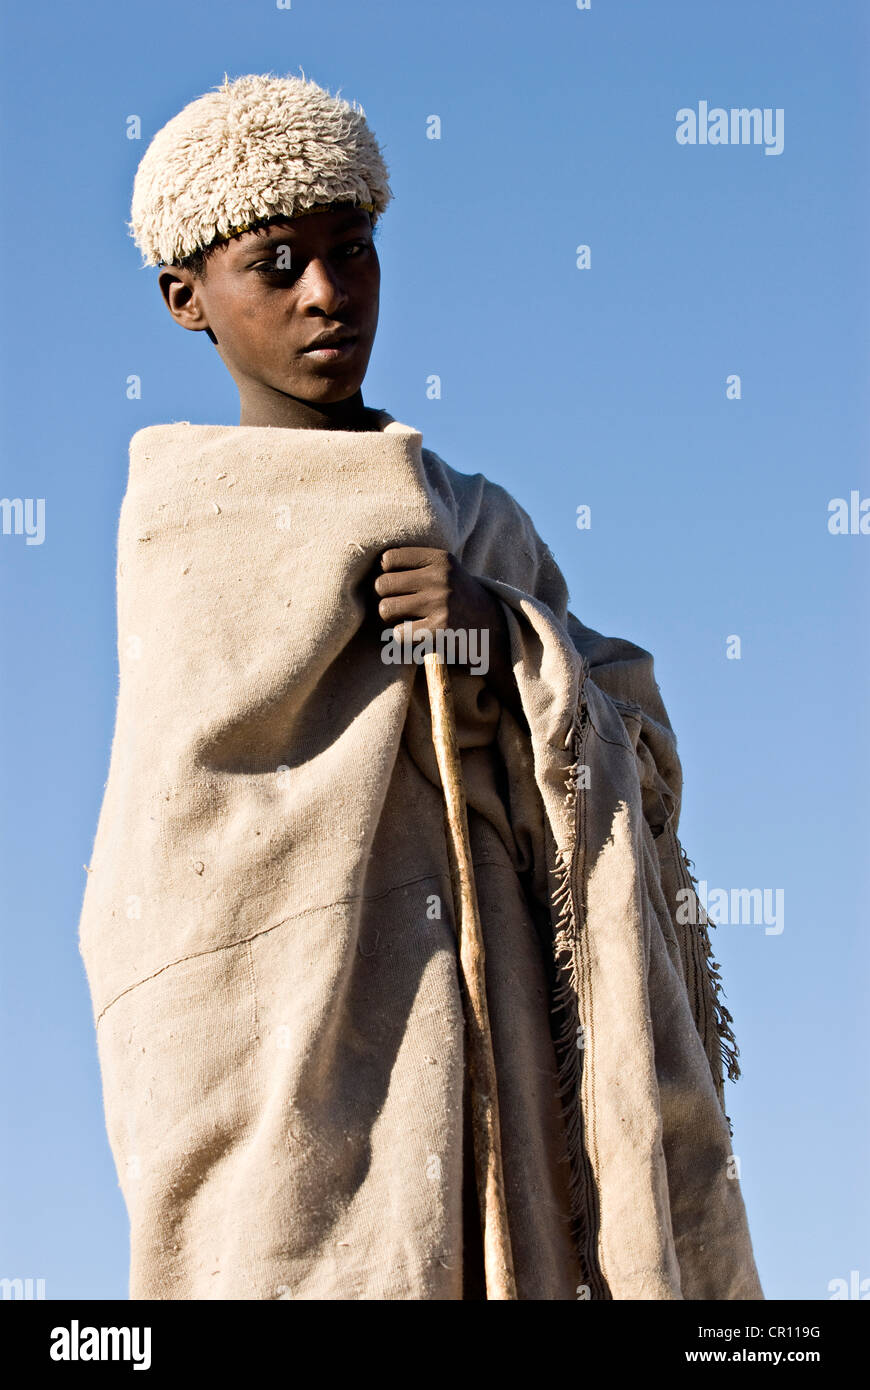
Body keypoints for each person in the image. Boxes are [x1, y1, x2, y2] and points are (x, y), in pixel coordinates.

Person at [78, 72, 763, 1300]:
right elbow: (173, 863)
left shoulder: (480, 525)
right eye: (275, 263)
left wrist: (498, 633)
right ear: (187, 300)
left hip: (502, 1080)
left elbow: (639, 745)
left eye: (354, 252)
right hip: (280, 1092)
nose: (327, 294)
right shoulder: (184, 534)